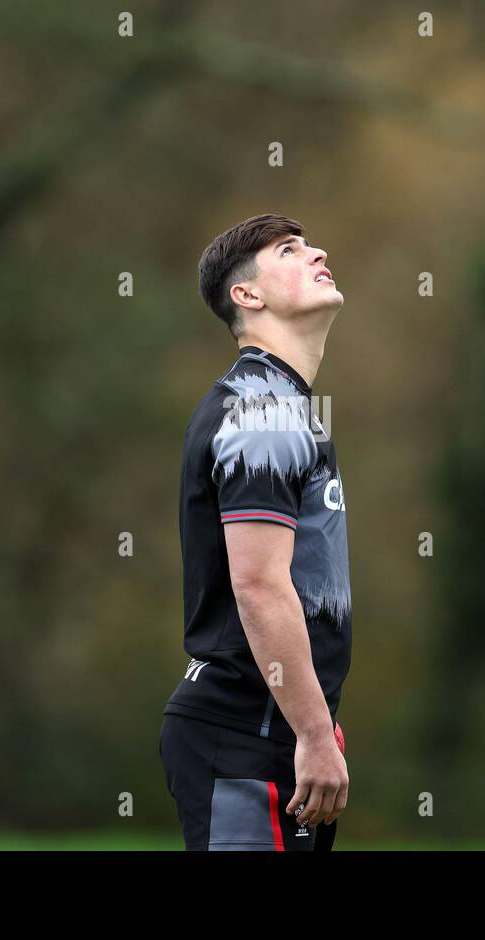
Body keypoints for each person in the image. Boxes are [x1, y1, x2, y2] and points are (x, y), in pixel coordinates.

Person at [160, 214, 352, 851]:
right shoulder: (262, 409)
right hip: (245, 728)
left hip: (276, 728)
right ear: (248, 295)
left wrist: (316, 729)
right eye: (290, 251)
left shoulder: (283, 404)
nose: (317, 252)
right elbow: (260, 585)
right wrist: (316, 736)